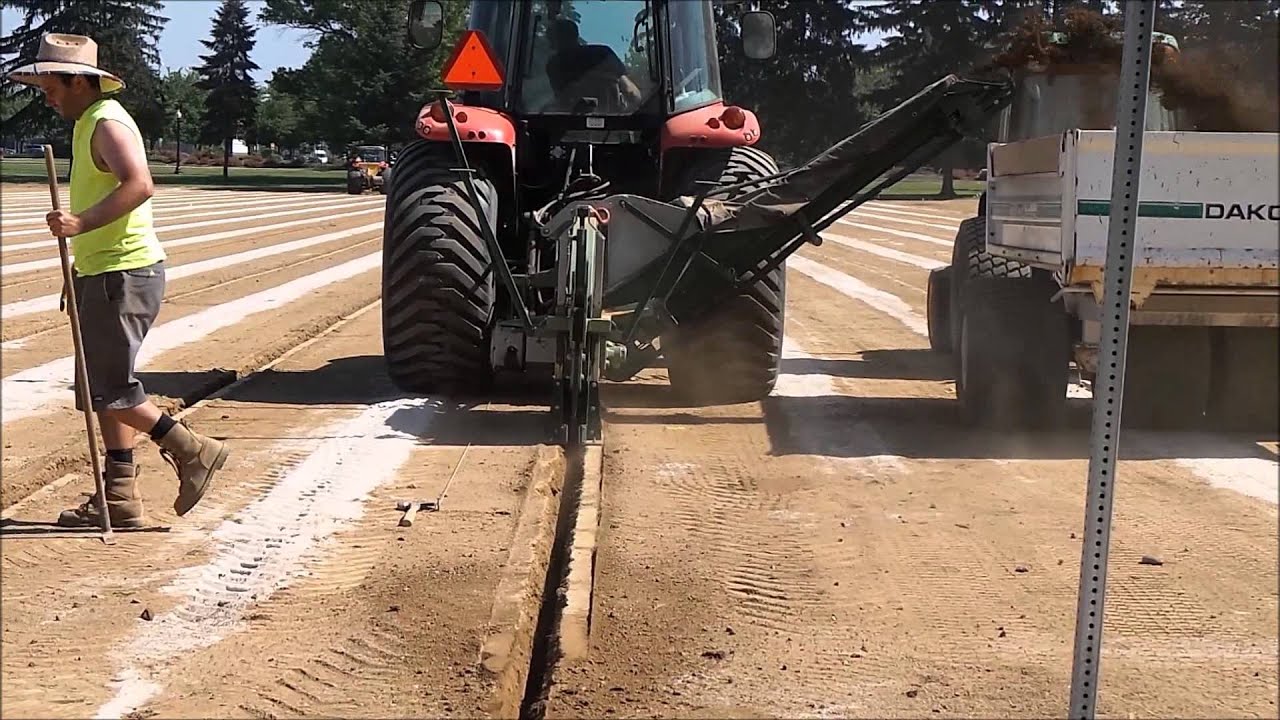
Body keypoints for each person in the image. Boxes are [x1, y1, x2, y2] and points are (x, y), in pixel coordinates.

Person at [7, 33, 229, 528]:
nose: (46, 94)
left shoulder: (105, 123)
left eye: (50, 84)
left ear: (77, 81)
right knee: (101, 386)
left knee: (107, 387)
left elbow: (140, 184)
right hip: (103, 272)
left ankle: (191, 449)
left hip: (122, 273)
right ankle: (120, 495)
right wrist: (82, 265)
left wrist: (81, 224)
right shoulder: (88, 122)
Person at [545, 18, 643, 111]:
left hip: (571, 123)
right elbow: (632, 93)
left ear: (556, 41)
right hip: (613, 122)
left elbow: (562, 101)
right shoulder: (603, 53)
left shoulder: (554, 64)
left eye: (551, 40)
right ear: (576, 35)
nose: (550, 45)